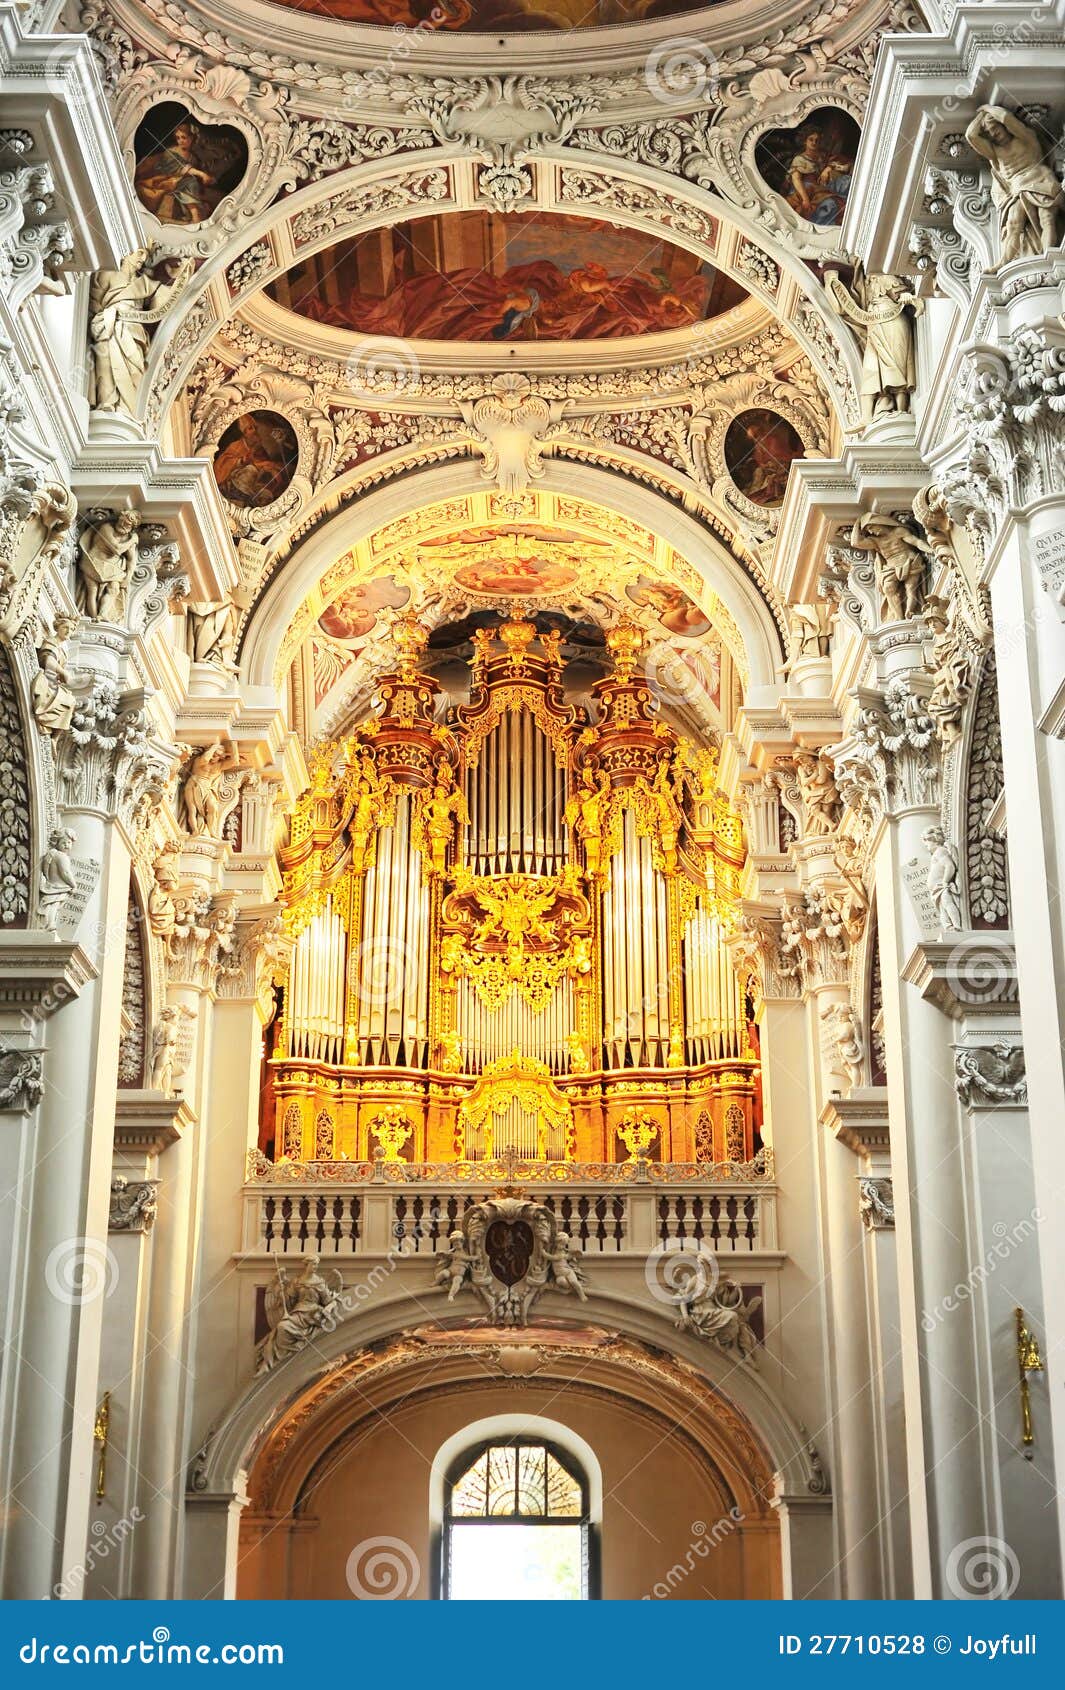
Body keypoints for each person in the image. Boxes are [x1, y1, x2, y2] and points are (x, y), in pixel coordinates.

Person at [134, 118, 217, 225]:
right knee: (188, 182)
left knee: (189, 182)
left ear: (192, 138)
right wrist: (202, 174)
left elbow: (189, 172)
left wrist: (205, 177)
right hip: (163, 178)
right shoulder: (171, 152)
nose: (180, 140)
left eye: (184, 137)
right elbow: (180, 169)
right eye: (178, 138)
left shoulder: (193, 157)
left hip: (179, 180)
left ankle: (195, 211)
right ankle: (194, 212)